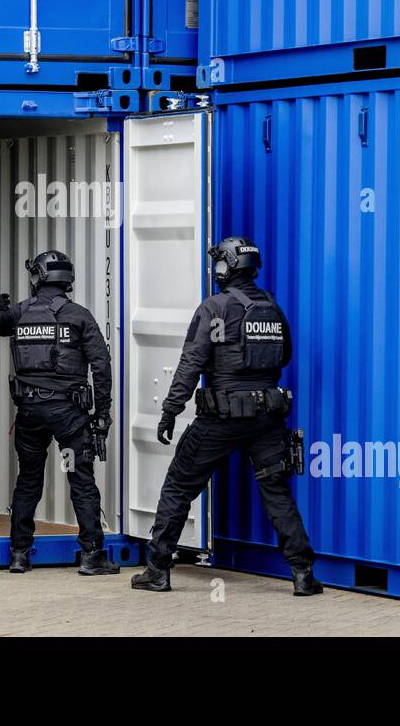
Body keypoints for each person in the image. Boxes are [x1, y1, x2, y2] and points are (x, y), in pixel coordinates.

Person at [131, 236, 323, 596]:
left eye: (219, 262)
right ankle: (303, 574)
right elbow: (285, 357)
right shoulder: (274, 309)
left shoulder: (214, 308)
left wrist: (170, 411)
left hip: (220, 419)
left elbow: (191, 364)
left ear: (226, 266)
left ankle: (157, 569)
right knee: (276, 491)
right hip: (267, 418)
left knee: (178, 485)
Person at [0, 250, 119, 576]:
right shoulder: (77, 315)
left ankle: (19, 554)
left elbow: (0, 325)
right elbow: (101, 366)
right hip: (68, 416)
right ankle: (92, 556)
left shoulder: (19, 312)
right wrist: (102, 414)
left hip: (30, 413)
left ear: (37, 277)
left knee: (29, 480)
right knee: (80, 479)